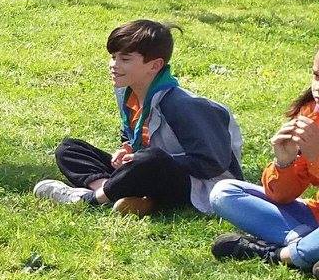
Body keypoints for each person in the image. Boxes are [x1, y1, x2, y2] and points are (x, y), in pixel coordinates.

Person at [34, 18, 242, 216]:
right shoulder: (128, 91)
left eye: (125, 59)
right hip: (146, 169)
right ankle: (119, 193)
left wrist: (153, 160)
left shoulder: (183, 105)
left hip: (203, 184)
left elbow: (213, 162)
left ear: (154, 65)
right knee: (69, 149)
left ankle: (91, 199)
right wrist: (127, 148)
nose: (114, 65)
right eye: (113, 57)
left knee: (151, 159)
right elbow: (134, 134)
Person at [208, 47, 319, 268]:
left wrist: (316, 157)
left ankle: (280, 255)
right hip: (313, 221)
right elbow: (281, 197)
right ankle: (305, 246)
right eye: (316, 75)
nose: (317, 88)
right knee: (224, 192)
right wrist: (284, 162)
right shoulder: (310, 114)